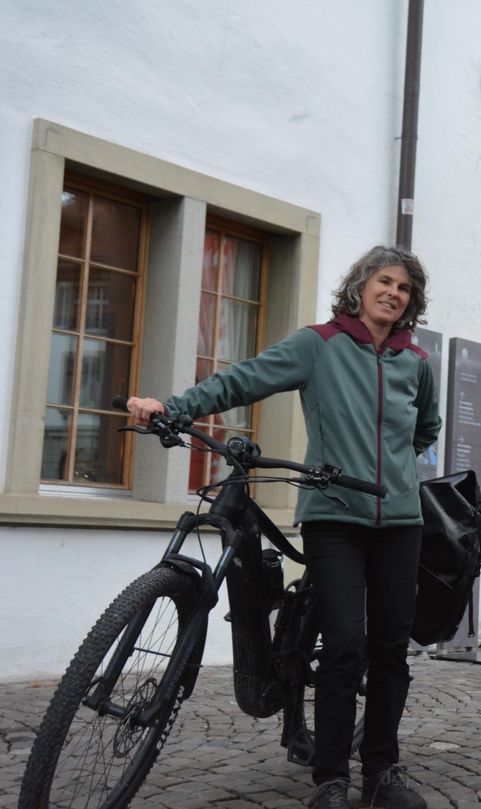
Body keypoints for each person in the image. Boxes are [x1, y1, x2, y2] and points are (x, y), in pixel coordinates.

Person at [124, 246, 440, 809]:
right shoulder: (318, 345)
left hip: (399, 521)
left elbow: (425, 428)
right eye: (384, 282)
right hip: (332, 519)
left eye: (404, 288)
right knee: (344, 643)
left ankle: (382, 773)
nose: (393, 293)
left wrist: (395, 469)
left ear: (410, 302)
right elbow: (246, 379)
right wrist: (174, 407)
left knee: (390, 648)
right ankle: (331, 779)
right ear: (360, 286)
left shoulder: (415, 361)